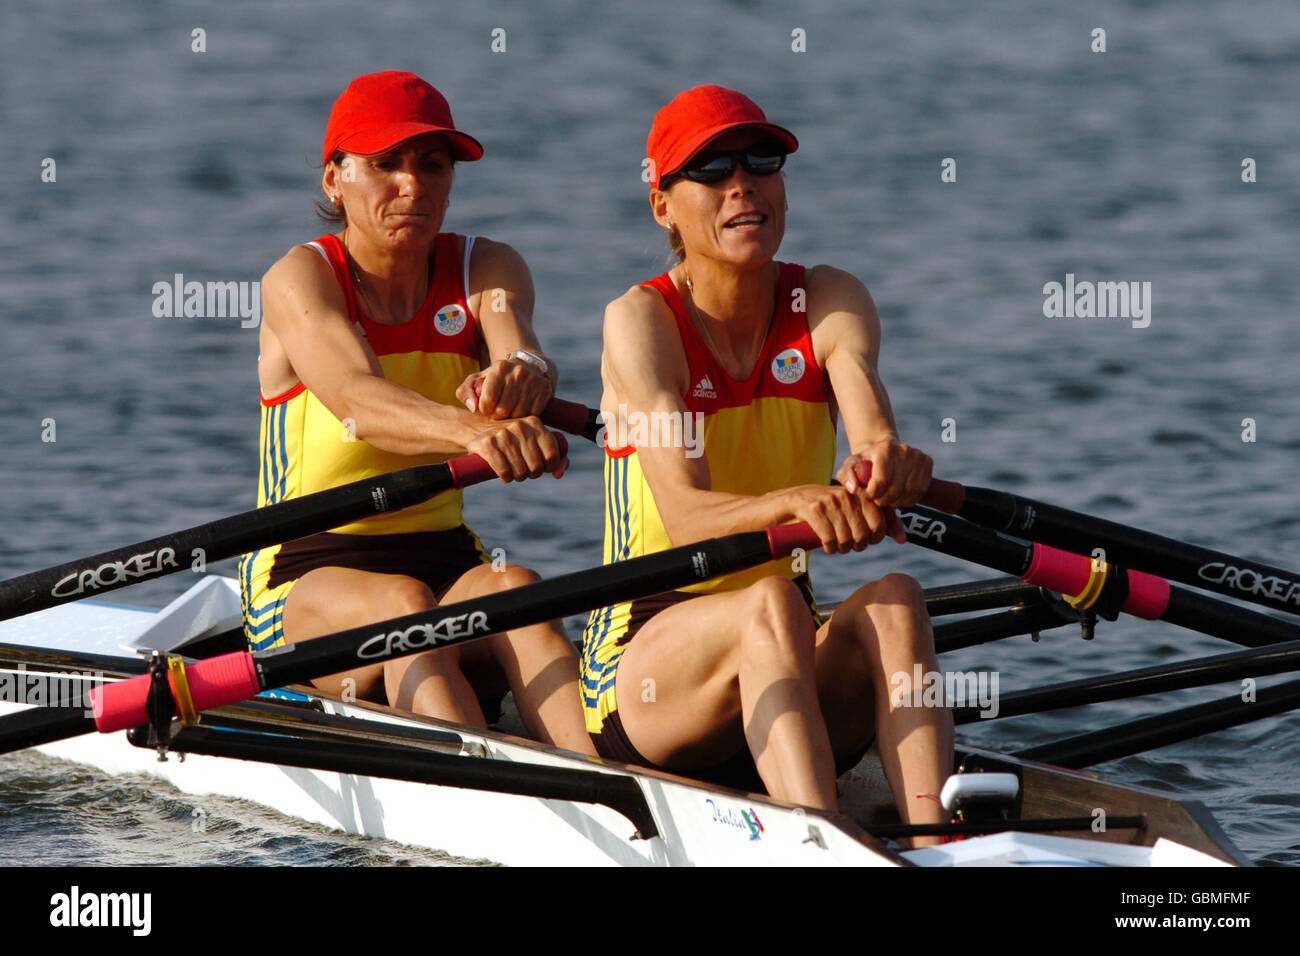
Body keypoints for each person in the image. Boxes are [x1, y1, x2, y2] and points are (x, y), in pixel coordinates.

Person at [582, 85, 952, 836]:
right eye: (711, 169)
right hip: (648, 667)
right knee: (773, 603)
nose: (742, 182)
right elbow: (686, 514)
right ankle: (817, 839)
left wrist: (886, 464)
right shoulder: (643, 320)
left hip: (782, 653)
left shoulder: (827, 297)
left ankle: (937, 839)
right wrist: (799, 500)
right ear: (663, 206)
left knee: (895, 597)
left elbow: (869, 422)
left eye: (761, 159)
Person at [239, 71, 593, 755]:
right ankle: (496, 805)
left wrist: (522, 381)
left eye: (432, 164)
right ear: (335, 180)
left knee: (518, 589)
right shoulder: (301, 279)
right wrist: (476, 430)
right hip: (304, 573)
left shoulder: (487, 268)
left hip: (445, 556)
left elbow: (521, 351)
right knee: (405, 606)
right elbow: (359, 402)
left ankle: (620, 792)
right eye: (385, 164)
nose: (413, 185)